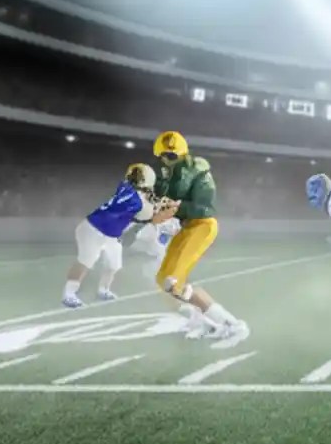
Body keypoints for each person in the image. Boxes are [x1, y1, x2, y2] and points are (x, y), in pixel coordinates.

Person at [151, 131, 249, 348]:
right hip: (186, 227)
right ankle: (203, 322)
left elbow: (205, 208)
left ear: (182, 154)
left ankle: (233, 325)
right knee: (163, 279)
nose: (167, 160)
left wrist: (177, 207)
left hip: (203, 225)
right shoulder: (168, 175)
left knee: (173, 283)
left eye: (171, 155)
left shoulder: (199, 173)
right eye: (164, 156)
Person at [62, 164, 159, 308]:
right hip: (93, 229)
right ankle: (68, 294)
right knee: (86, 261)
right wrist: (156, 206)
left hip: (109, 234)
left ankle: (103, 290)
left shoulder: (124, 186)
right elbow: (146, 214)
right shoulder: (138, 203)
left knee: (114, 264)